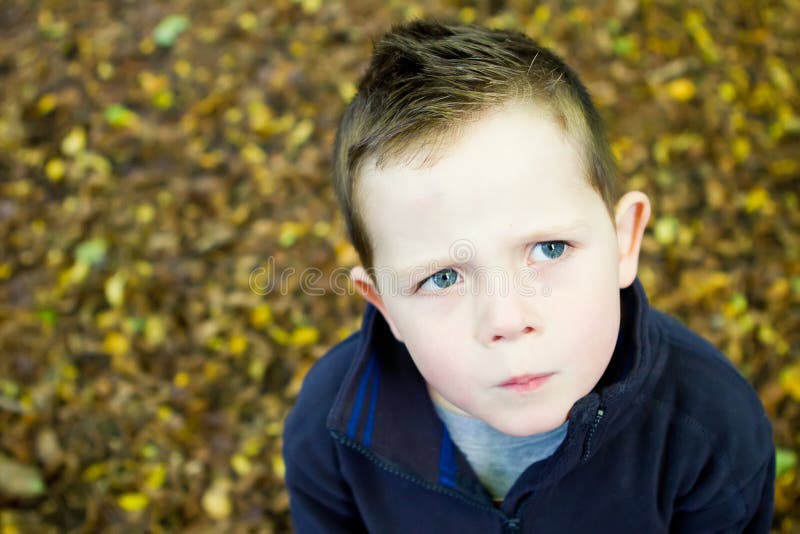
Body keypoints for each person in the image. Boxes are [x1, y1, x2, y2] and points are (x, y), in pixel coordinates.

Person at [282, 20, 775, 532]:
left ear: (623, 242)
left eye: (549, 248)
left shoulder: (712, 430)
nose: (508, 319)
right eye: (444, 279)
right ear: (384, 304)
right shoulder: (330, 430)